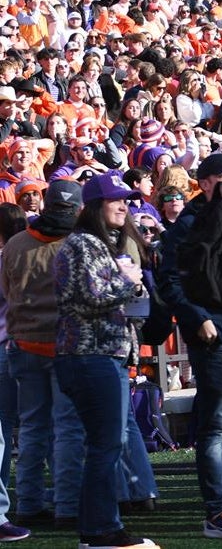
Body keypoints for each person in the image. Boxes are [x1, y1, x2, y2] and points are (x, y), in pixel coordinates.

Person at [54, 173, 158, 549]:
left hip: (100, 353)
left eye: (127, 200)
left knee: (106, 443)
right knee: (105, 443)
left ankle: (98, 527)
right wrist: (129, 282)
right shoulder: (83, 244)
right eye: (116, 199)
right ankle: (100, 530)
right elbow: (92, 296)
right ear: (95, 206)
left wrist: (133, 290)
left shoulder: (100, 245)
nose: (124, 206)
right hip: (89, 354)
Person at [156, 153, 222, 539]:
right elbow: (170, 280)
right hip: (212, 332)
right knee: (217, 426)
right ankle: (217, 510)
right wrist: (198, 317)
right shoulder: (189, 224)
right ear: (207, 182)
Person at [2, 180, 84, 530]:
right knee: (67, 428)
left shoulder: (17, 244)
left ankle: (29, 503)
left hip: (24, 342)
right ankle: (68, 506)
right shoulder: (78, 242)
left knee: (32, 428)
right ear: (77, 209)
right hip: (64, 344)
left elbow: (6, 291)